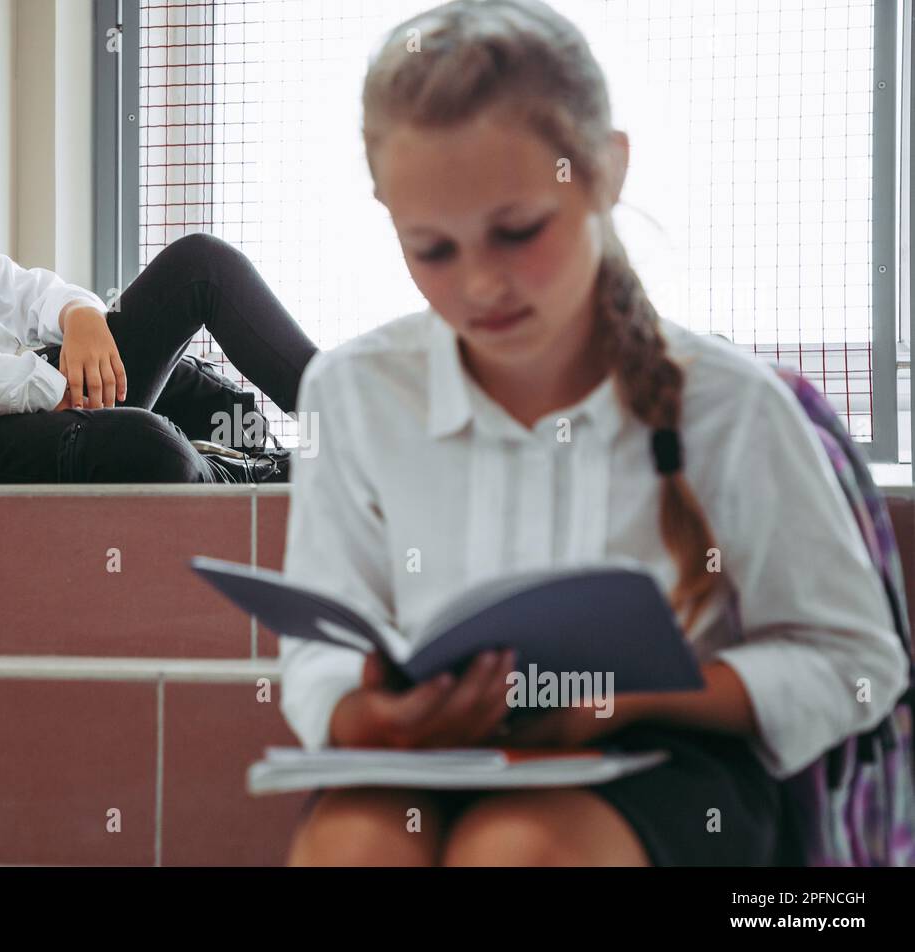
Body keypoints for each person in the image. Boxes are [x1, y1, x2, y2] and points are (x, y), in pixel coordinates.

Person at [279, 0, 910, 866]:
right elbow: (319, 644)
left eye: (519, 231)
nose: (481, 285)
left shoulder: (729, 405)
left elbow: (854, 662)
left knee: (520, 852)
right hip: (428, 756)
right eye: (432, 248)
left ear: (606, 171)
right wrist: (366, 713)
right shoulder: (352, 393)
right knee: (356, 848)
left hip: (667, 756)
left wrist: (635, 696)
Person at [0, 14, 318, 486]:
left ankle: (345, 427)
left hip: (25, 406)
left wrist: (79, 313)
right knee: (151, 444)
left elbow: (21, 291)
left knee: (200, 280)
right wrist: (60, 389)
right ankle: (259, 482)